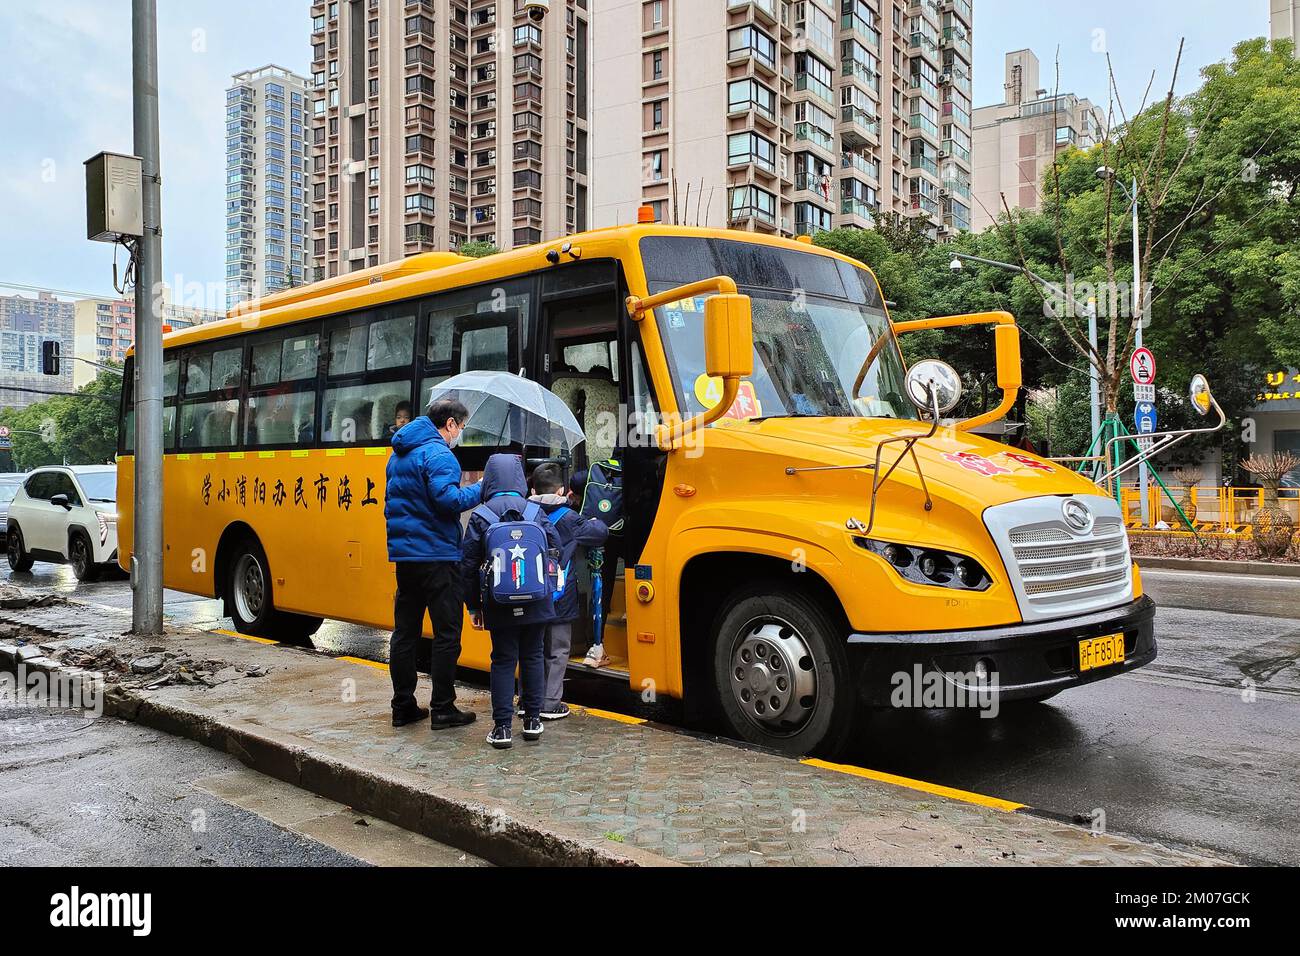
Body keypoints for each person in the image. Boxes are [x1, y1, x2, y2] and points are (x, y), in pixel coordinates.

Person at [384, 398, 482, 729]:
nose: (460, 435)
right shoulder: (440, 454)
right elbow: (448, 502)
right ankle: (442, 707)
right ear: (450, 424)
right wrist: (481, 489)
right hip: (438, 557)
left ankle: (403, 706)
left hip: (407, 557)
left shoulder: (399, 454)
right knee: (447, 633)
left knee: (406, 632)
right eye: (462, 427)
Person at [461, 453, 562, 749]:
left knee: (503, 660)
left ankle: (502, 728)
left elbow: (467, 567)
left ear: (489, 479)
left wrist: (473, 606)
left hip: (498, 602)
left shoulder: (482, 516)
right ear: (520, 478)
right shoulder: (535, 511)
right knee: (533, 656)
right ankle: (532, 722)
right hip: (537, 601)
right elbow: (556, 550)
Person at [526, 462, 608, 719]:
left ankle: (528, 702)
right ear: (562, 491)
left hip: (530, 595)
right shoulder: (570, 518)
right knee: (558, 650)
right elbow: (600, 533)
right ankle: (550, 704)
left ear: (532, 488)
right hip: (560, 597)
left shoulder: (524, 513)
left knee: (531, 651)